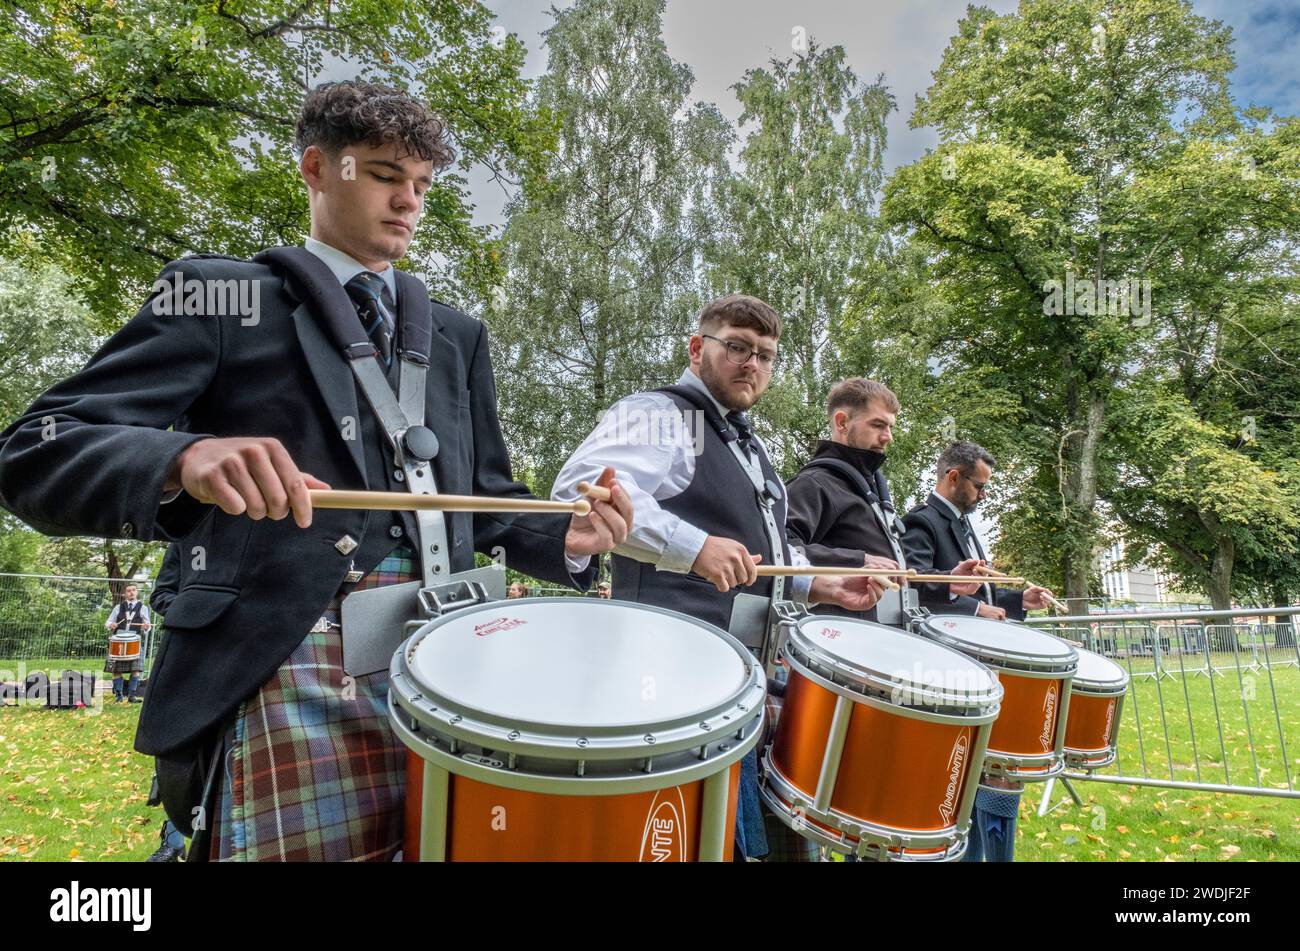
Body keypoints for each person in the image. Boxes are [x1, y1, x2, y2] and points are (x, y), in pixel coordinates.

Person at [0, 80, 633, 862]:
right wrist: (182, 459)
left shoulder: (457, 336)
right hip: (289, 660)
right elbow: (36, 447)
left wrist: (567, 533)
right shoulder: (222, 296)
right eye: (384, 175)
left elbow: (483, 500)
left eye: (421, 185)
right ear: (315, 168)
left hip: (451, 659)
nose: (408, 201)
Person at [554, 293, 884, 862]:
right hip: (671, 687)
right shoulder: (658, 413)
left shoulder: (751, 446)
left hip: (742, 683)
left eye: (765, 355)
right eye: (736, 347)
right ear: (697, 348)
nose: (751, 363)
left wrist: (820, 583)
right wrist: (693, 547)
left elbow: (764, 553)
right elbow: (584, 493)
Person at [901, 440, 1056, 863]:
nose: (983, 494)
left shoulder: (964, 525)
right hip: (944, 668)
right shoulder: (921, 522)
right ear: (953, 477)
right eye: (979, 486)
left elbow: (976, 592)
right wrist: (974, 609)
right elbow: (915, 589)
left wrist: (1019, 601)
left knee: (986, 770)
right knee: (960, 774)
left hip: (972, 665)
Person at [104, 584, 151, 703]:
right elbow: (108, 622)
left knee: (135, 670)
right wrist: (111, 625)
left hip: (134, 641)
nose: (131, 592)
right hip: (118, 642)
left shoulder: (143, 608)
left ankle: (132, 696)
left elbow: (148, 625)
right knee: (116, 670)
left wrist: (146, 627)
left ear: (137, 592)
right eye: (128, 591)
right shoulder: (118, 607)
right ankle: (118, 696)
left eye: (133, 590)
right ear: (125, 594)